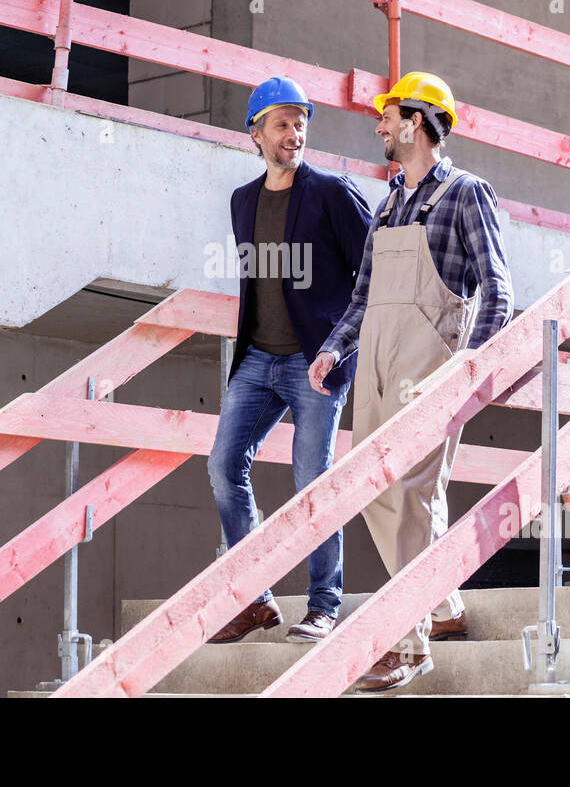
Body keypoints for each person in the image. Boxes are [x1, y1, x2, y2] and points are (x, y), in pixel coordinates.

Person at [308, 71, 514, 691]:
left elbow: (498, 292)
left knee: (417, 498)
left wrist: (463, 369)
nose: (378, 125)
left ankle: (407, 643)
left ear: (417, 123)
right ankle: (445, 605)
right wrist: (332, 350)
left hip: (430, 370)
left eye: (387, 115)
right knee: (374, 490)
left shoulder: (468, 194)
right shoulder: (390, 203)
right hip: (374, 364)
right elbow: (364, 295)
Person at [206, 76, 372, 644]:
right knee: (225, 468)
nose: (295, 131)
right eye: (282, 122)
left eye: (301, 121)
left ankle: (325, 603)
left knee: (312, 481)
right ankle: (254, 599)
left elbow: (371, 275)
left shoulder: (332, 192)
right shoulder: (242, 201)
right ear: (256, 132)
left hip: (313, 364)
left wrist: (340, 345)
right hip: (257, 359)